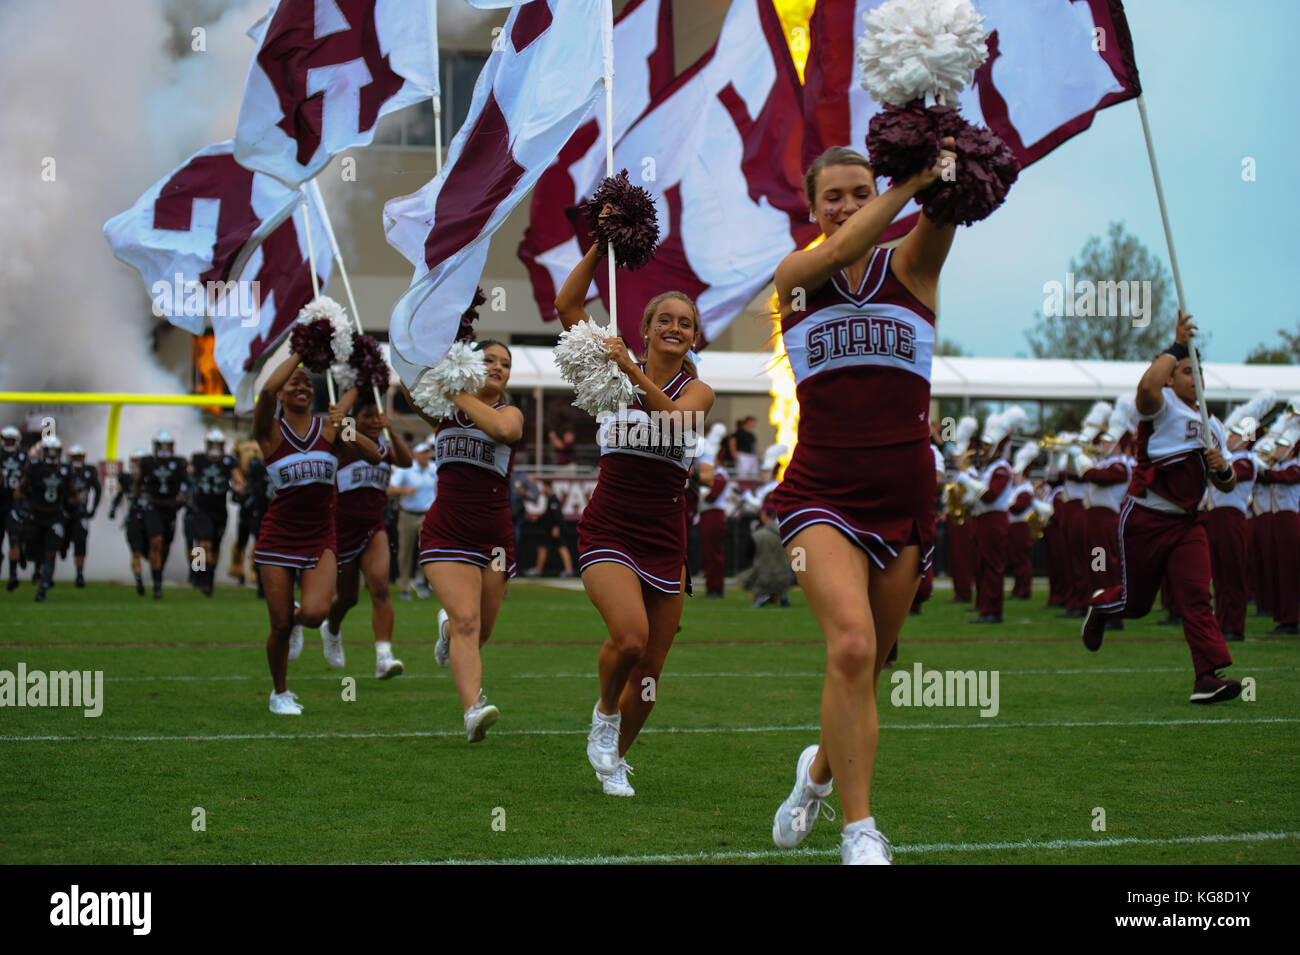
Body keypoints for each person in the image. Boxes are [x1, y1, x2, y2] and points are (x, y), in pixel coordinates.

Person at [765, 141, 956, 864]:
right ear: (812, 210)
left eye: (858, 190)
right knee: (849, 643)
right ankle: (860, 829)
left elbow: (945, 208)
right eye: (832, 196)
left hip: (903, 490)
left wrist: (946, 156)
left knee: (868, 666)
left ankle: (815, 772)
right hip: (820, 490)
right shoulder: (796, 278)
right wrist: (905, 181)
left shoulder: (914, 265)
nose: (846, 205)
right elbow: (851, 240)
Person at [556, 227, 715, 797]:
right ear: (645, 327)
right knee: (629, 640)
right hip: (609, 528)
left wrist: (629, 366)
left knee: (650, 674)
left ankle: (614, 759)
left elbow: (673, 418)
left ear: (694, 337)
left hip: (665, 538)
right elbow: (568, 305)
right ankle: (603, 714)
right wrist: (603, 242)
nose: (674, 327)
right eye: (664, 319)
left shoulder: (699, 392)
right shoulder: (609, 369)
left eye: (685, 323)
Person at [1082, 312, 1242, 704]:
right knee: (1134, 606)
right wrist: (1174, 346)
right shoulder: (1162, 404)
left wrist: (1222, 469)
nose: (1195, 379)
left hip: (1188, 524)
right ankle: (1103, 607)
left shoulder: (1214, 425)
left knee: (1196, 597)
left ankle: (1206, 677)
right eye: (1187, 371)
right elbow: (1146, 387)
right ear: (1171, 376)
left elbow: (1228, 482)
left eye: (1199, 372)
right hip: (1146, 519)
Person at [406, 340, 523, 742]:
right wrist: (429, 344)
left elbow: (503, 431)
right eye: (488, 359)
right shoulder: (442, 409)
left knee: (481, 631)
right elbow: (408, 379)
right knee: (467, 621)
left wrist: (456, 391)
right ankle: (472, 710)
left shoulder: (510, 412)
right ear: (471, 362)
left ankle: (446, 634)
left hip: (493, 538)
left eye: (505, 364)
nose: (498, 367)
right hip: (447, 531)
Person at [253, 355, 375, 715]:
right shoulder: (269, 430)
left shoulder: (329, 428)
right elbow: (268, 388)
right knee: (277, 627)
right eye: (295, 383)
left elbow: (368, 447)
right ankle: (280, 693)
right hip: (278, 538)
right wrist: (302, 348)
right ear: (283, 393)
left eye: (308, 383)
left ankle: (297, 618)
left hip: (320, 536)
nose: (302, 387)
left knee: (315, 614)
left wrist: (363, 377)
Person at [323, 395, 413, 677]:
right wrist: (342, 418)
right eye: (367, 416)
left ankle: (384, 656)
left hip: (374, 528)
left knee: (380, 588)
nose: (374, 421)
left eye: (378, 415)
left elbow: (407, 462)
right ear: (354, 418)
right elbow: (343, 435)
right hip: (342, 531)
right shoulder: (344, 442)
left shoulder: (385, 446)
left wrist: (391, 430)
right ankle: (332, 628)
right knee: (347, 598)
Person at [133, 431, 188, 599]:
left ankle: (158, 573)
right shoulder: (148, 463)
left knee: (165, 546)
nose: (164, 450)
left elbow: (188, 483)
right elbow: (138, 482)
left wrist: (184, 498)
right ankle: (157, 586)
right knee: (156, 542)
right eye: (161, 446)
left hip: (170, 508)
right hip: (153, 506)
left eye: (167, 446)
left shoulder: (179, 463)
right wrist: (135, 502)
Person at [188, 430, 243, 597]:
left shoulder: (228, 461)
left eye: (218, 445)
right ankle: (200, 575)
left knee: (215, 546)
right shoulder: (198, 459)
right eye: (212, 444)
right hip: (201, 508)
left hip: (219, 510)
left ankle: (208, 576)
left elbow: (238, 479)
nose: (215, 448)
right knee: (203, 543)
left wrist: (239, 488)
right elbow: (188, 475)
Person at [21, 436, 72, 603]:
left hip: (55, 515)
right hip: (36, 514)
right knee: (32, 550)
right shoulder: (34, 469)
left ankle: (42, 589)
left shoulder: (65, 470)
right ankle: (35, 566)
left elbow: (72, 494)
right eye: (48, 451)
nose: (51, 455)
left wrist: (72, 505)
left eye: (54, 451)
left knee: (51, 552)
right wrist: (22, 506)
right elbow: (21, 489)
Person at [389, 442, 436, 600]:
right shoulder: (406, 469)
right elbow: (390, 489)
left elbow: (438, 487)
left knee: (426, 548)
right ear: (415, 455)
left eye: (427, 453)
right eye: (422, 453)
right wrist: (405, 490)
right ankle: (404, 586)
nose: (426, 456)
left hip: (427, 515)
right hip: (408, 514)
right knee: (405, 551)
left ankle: (421, 580)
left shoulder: (433, 468)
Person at [107, 448, 150, 596]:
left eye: (139, 461)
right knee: (136, 553)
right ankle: (139, 580)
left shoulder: (152, 476)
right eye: (135, 461)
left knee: (152, 551)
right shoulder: (126, 478)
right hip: (133, 519)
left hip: (151, 519)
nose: (137, 464)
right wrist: (112, 509)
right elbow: (119, 495)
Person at [527, 479, 574, 577]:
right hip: (548, 529)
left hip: (553, 529)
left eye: (543, 487)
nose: (542, 489)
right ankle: (538, 570)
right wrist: (538, 518)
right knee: (543, 548)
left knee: (561, 547)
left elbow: (557, 515)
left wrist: (556, 527)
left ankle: (569, 570)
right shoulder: (549, 498)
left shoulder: (553, 498)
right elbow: (548, 514)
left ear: (547, 487)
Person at [2, 426, 28, 591]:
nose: (10, 443)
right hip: (1, 501)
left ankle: (13, 575)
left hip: (14, 504)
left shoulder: (24, 458)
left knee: (14, 540)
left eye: (12, 440)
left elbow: (30, 477)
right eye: (7, 440)